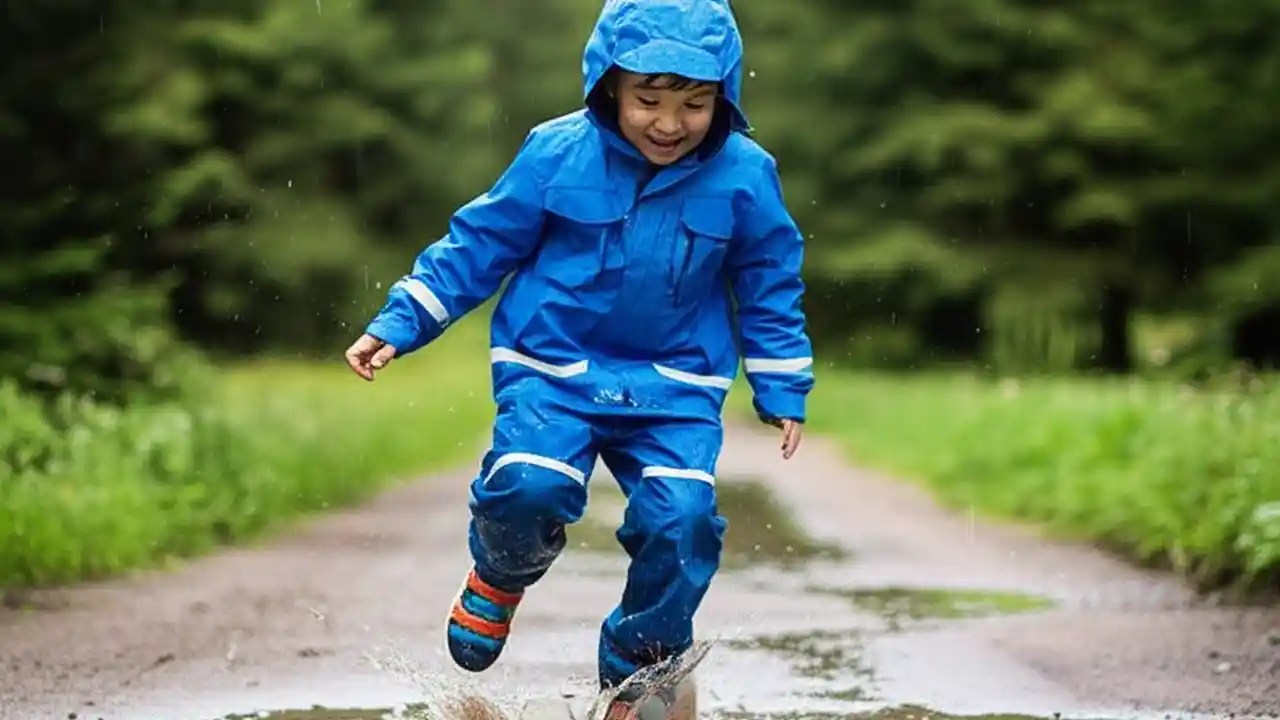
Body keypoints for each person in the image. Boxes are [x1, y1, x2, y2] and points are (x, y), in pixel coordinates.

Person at [344, 0, 814, 701]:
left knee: (682, 524)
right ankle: (500, 574)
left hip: (675, 386)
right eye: (648, 99)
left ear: (725, 96)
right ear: (609, 88)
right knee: (530, 486)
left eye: (695, 103)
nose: (668, 123)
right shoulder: (555, 153)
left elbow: (770, 281)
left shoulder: (746, 175)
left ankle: (639, 668)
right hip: (552, 368)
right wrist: (402, 320)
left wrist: (781, 388)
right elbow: (479, 244)